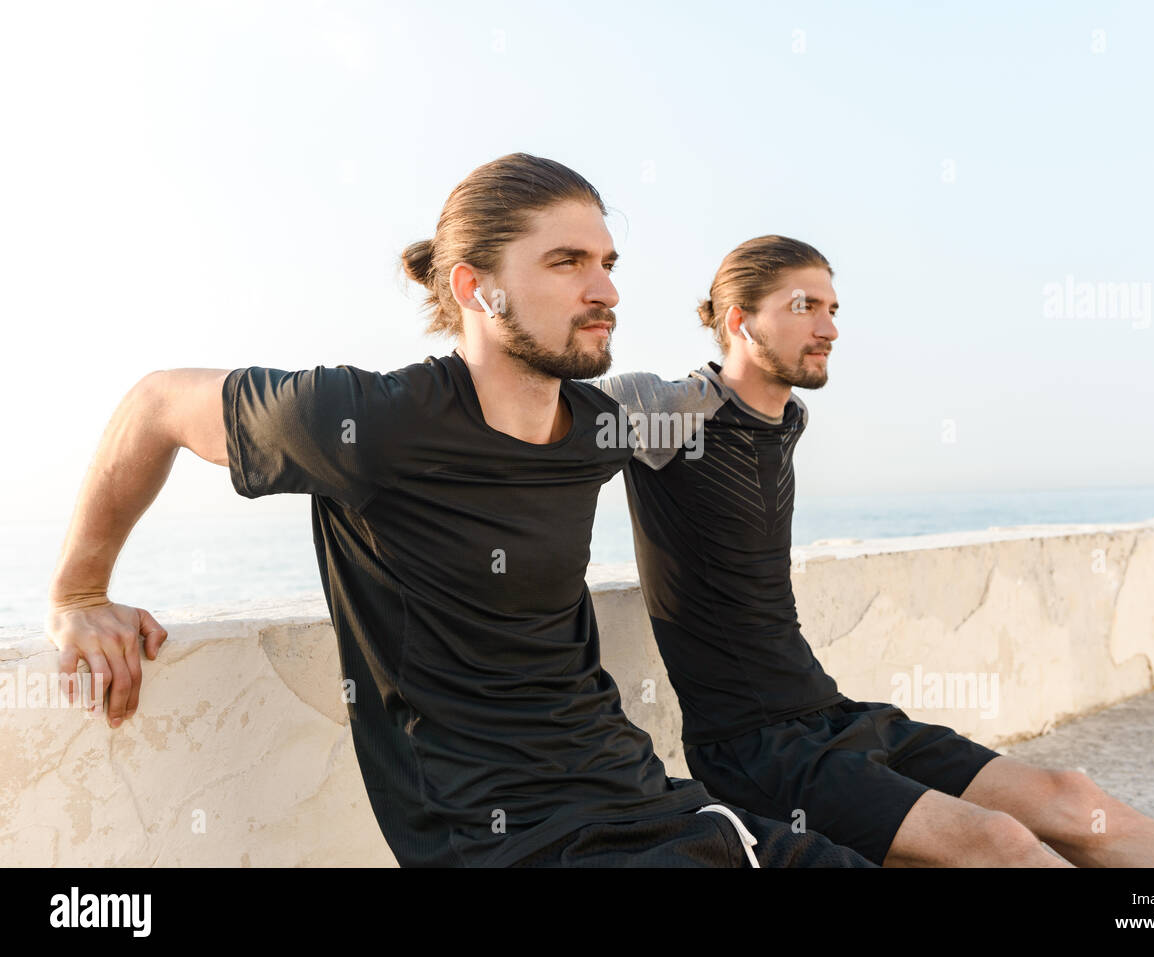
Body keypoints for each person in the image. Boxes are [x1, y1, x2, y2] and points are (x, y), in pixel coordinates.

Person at [43, 157, 872, 868]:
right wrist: (81, 592)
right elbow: (155, 403)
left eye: (609, 262)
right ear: (475, 288)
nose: (606, 288)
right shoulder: (368, 421)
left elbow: (705, 402)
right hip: (498, 839)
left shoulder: (595, 425)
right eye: (567, 262)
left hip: (651, 801)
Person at [594, 234, 1154, 867]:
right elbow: (541, 419)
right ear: (739, 320)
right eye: (804, 307)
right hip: (755, 748)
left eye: (832, 309)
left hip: (832, 714)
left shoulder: (787, 416)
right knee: (1000, 841)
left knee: (1072, 797)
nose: (829, 328)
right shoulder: (672, 409)